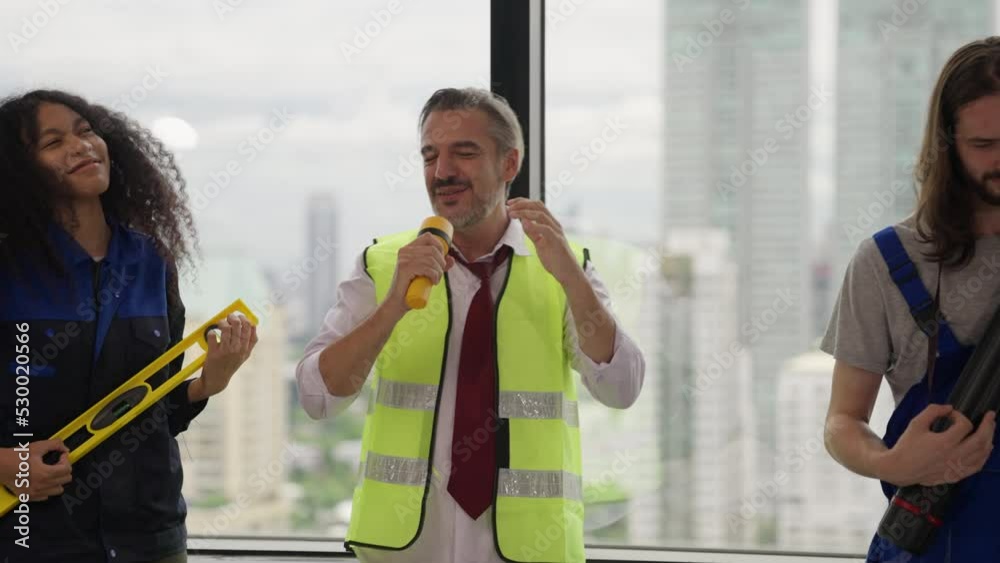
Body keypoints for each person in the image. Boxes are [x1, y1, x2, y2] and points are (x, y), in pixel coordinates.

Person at [295, 87, 645, 563]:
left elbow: (621, 387)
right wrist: (393, 305)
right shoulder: (383, 265)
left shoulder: (562, 264)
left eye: (464, 152)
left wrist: (570, 277)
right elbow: (318, 398)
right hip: (407, 551)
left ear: (509, 164)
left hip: (527, 551)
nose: (442, 172)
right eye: (430, 155)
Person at [0, 90, 258, 563]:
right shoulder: (9, 268)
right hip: (34, 542)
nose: (80, 146)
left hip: (151, 539)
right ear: (18, 170)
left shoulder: (152, 261)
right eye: (53, 142)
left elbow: (156, 407)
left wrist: (209, 382)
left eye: (85, 131)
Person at [823, 37, 1000, 562]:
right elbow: (841, 423)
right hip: (933, 541)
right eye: (985, 145)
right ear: (947, 144)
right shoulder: (885, 263)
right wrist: (893, 464)